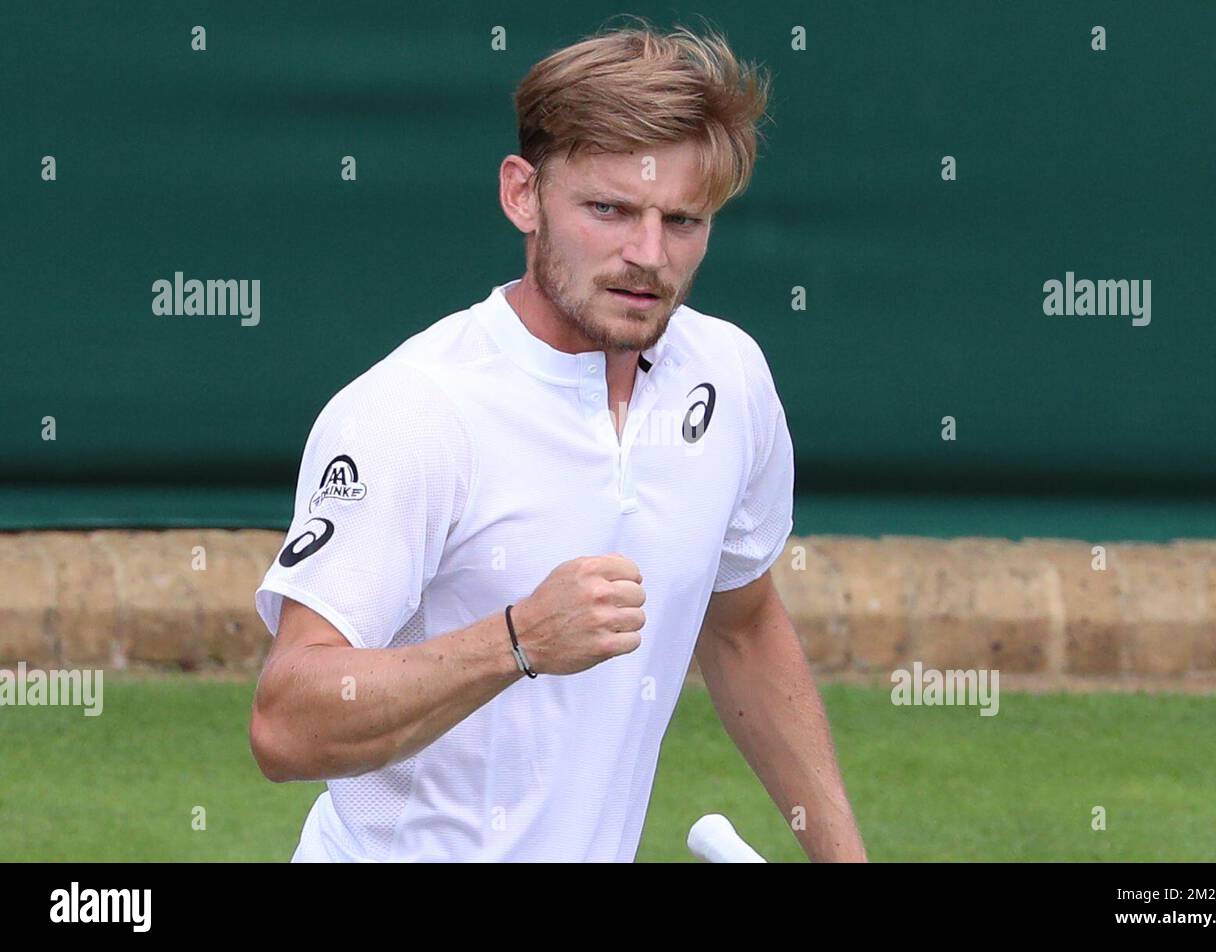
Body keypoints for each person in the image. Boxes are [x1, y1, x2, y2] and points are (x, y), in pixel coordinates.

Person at [250, 19, 867, 863]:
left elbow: (743, 625)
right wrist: (517, 641)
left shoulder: (729, 375)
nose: (647, 256)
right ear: (523, 194)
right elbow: (286, 721)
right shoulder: (413, 410)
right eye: (608, 210)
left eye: (682, 220)